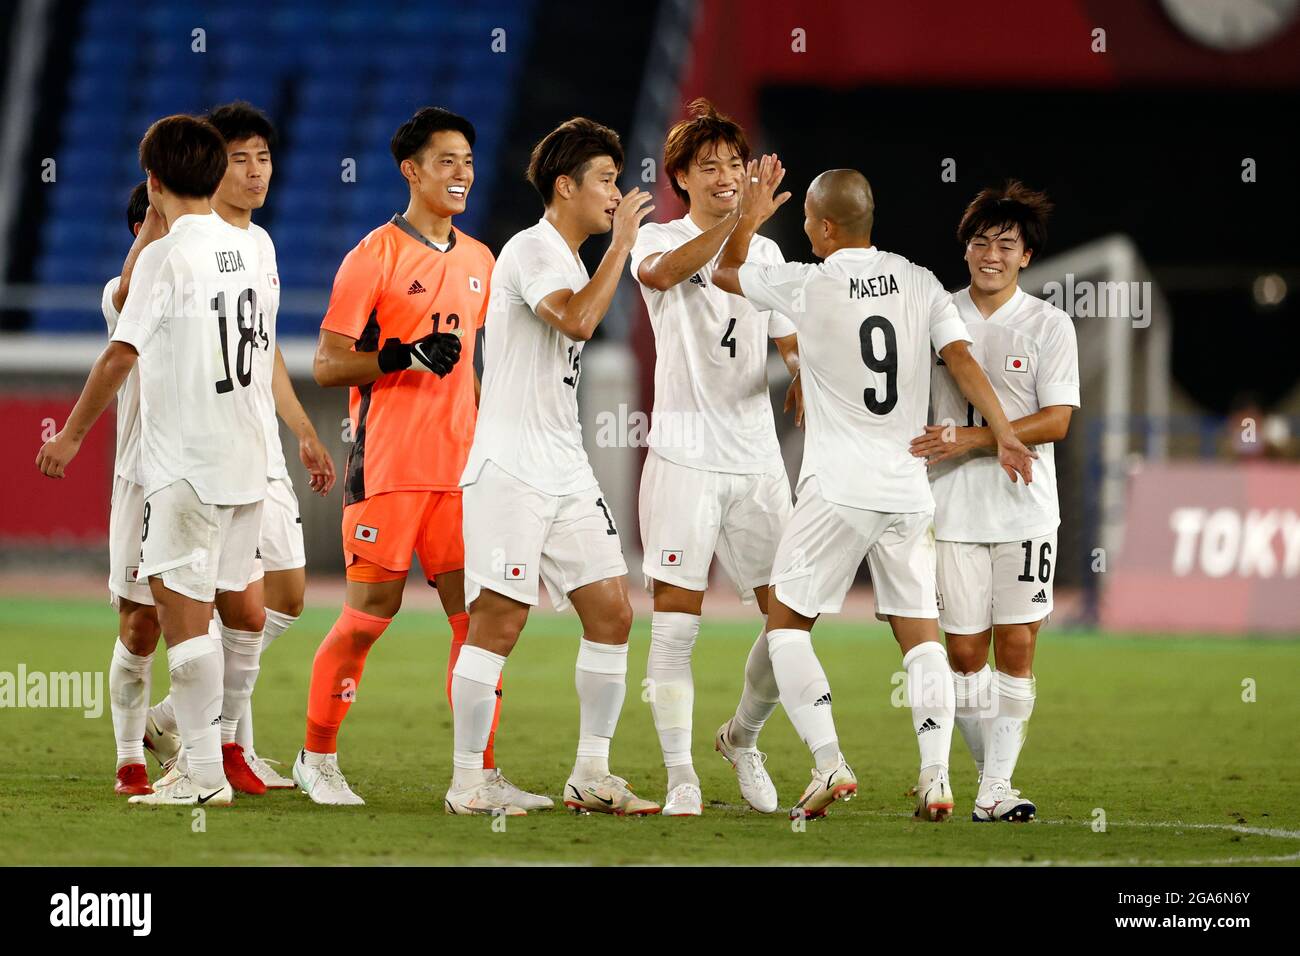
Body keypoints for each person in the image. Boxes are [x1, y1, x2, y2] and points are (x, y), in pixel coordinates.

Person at [712, 158, 1036, 820]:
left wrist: (748, 216)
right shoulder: (919, 282)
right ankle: (937, 777)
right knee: (920, 639)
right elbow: (962, 359)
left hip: (836, 487)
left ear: (826, 227)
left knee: (787, 628)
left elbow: (723, 271)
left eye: (805, 219)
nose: (803, 228)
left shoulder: (809, 282)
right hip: (907, 489)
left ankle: (829, 762)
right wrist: (1002, 431)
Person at [290, 107, 538, 808]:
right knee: (370, 612)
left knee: (479, 621)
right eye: (446, 161)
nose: (460, 174)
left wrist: (493, 437)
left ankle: (478, 774)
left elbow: (469, 370)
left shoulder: (481, 259)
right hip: (392, 464)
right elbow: (329, 363)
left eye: (467, 161)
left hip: (461, 472)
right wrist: (402, 354)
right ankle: (316, 756)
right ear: (412, 170)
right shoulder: (374, 255)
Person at [38, 114, 269, 806]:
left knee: (183, 619)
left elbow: (120, 352)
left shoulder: (170, 258)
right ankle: (200, 765)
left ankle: (200, 777)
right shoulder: (253, 246)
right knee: (212, 617)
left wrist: (72, 435)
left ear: (154, 180)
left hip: (187, 464)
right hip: (245, 461)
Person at [448, 117, 658, 816]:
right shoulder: (533, 249)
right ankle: (468, 781)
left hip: (565, 465)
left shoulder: (570, 258)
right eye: (604, 179)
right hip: (511, 465)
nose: (615, 193)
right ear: (564, 186)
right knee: (499, 621)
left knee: (612, 611)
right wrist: (623, 247)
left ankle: (590, 773)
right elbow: (577, 321)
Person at [144, 102, 336, 794]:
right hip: (202, 458)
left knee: (280, 598)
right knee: (227, 606)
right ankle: (216, 749)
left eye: (264, 157)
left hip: (258, 447)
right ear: (209, 167)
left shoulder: (261, 244)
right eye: (240, 158)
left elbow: (264, 348)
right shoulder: (185, 247)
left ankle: (179, 720)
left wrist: (302, 428)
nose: (256, 172)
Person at [629, 99, 800, 815]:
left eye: (736, 164)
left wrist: (807, 377)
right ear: (681, 179)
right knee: (675, 623)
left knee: (791, 621)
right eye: (712, 168)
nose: (728, 176)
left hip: (757, 460)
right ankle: (680, 778)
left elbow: (788, 335)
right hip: (683, 458)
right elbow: (667, 276)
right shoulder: (655, 238)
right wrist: (741, 219)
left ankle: (742, 737)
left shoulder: (766, 251)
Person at [909, 181, 1078, 822]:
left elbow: (1058, 419)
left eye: (1006, 244)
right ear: (966, 249)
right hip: (950, 509)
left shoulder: (1048, 323)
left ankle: (996, 787)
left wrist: (973, 437)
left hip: (1025, 508)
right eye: (981, 240)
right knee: (963, 654)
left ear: (1026, 256)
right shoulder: (938, 315)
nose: (991, 253)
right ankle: (994, 782)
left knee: (1018, 644)